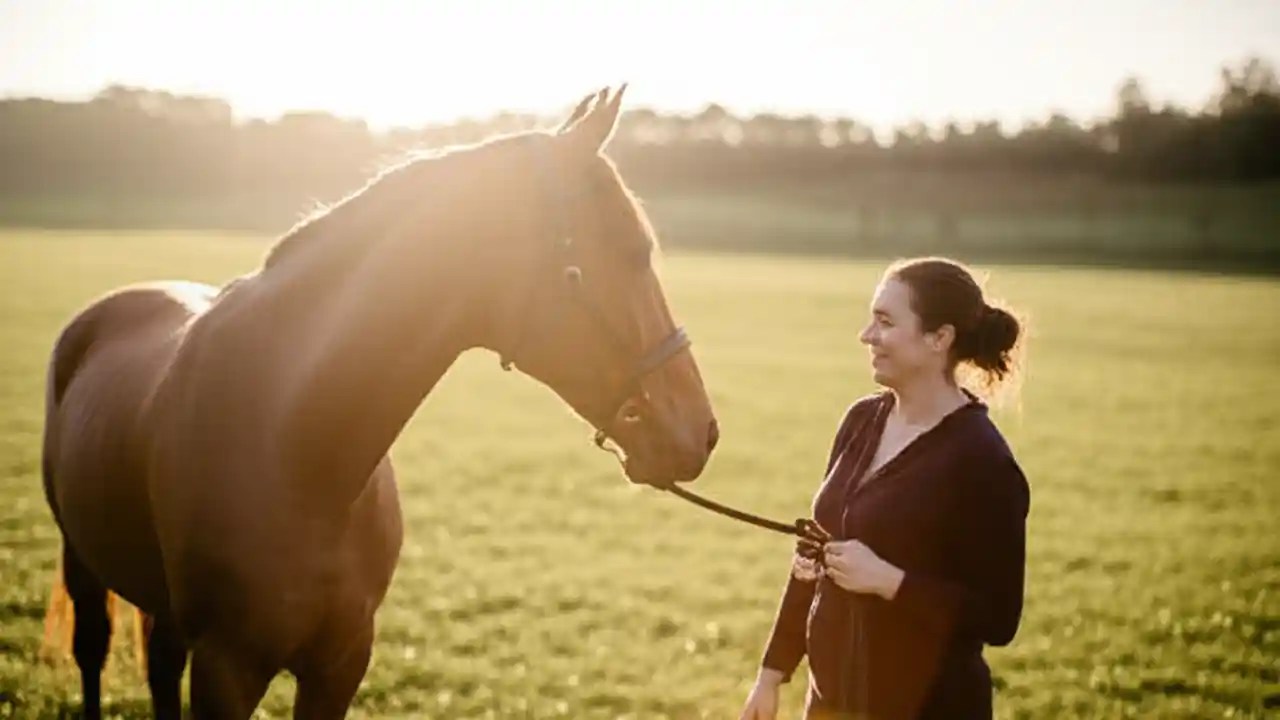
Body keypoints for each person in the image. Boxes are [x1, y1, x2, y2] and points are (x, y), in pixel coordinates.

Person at [739, 257, 1031, 720]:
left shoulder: (982, 461)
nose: (866, 335)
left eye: (885, 322)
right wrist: (772, 672)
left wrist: (889, 581)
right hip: (831, 705)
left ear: (940, 338)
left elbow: (998, 617)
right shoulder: (861, 420)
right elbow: (813, 555)